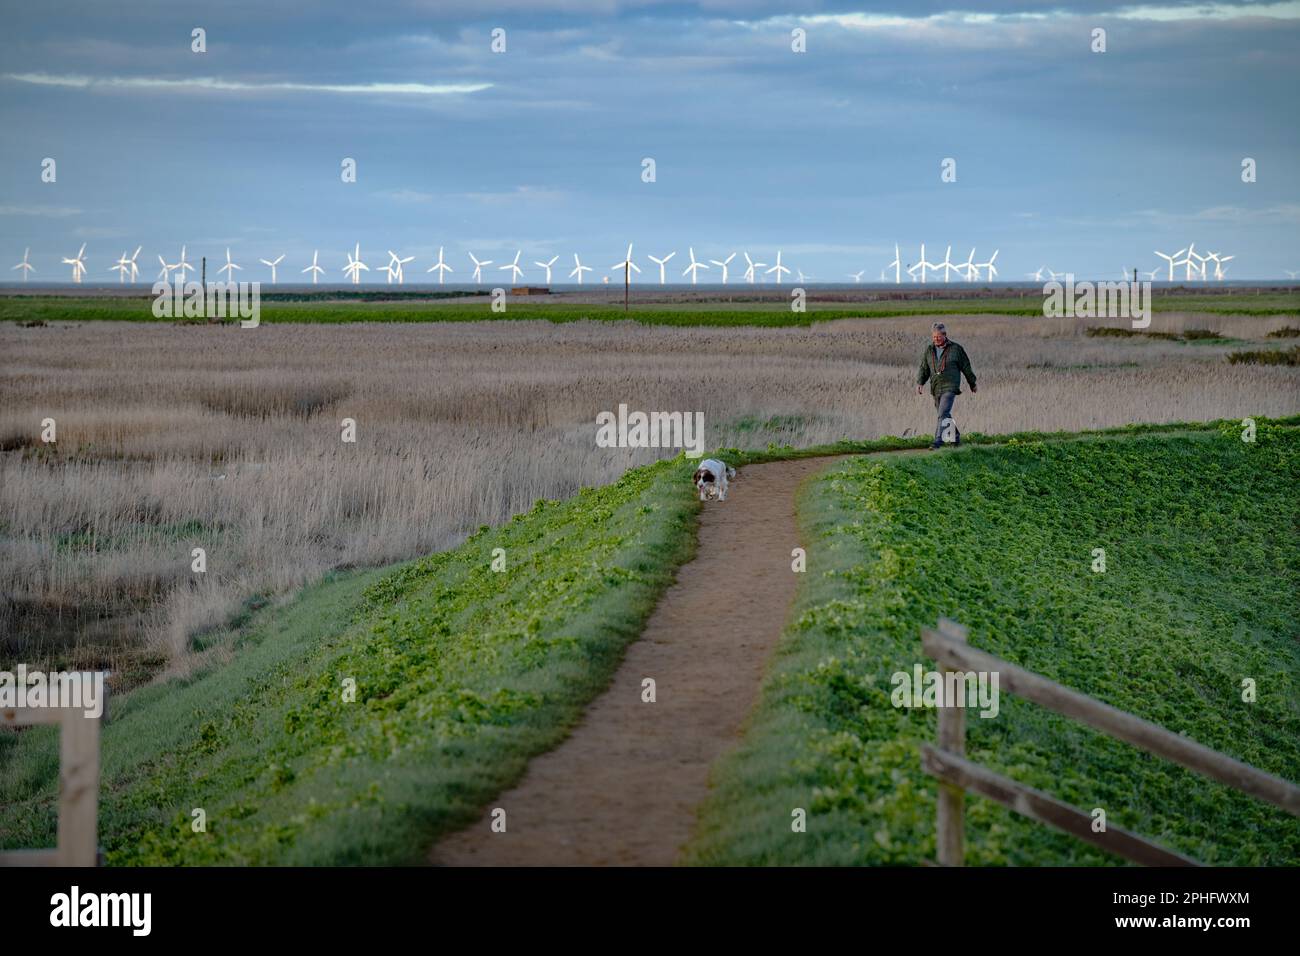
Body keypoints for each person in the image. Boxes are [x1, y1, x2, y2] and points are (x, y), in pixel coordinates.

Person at [915, 322, 977, 449]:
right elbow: (924, 368)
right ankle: (955, 438)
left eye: (938, 336)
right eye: (934, 337)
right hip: (936, 386)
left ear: (945, 335)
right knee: (944, 414)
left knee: (942, 413)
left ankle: (937, 441)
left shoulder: (956, 349)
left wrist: (972, 383)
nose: (936, 339)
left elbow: (966, 367)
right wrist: (920, 382)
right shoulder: (929, 350)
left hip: (950, 386)